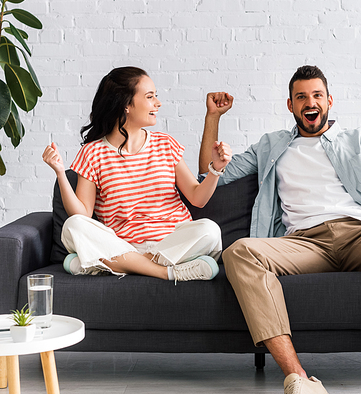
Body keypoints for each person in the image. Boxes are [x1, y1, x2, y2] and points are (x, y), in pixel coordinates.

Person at [199, 65, 361, 394]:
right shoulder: (271, 146)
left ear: (329, 101)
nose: (309, 103)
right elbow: (210, 176)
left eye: (316, 96)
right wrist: (212, 118)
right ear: (290, 105)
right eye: (301, 97)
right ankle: (298, 379)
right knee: (239, 251)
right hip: (304, 243)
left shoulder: (357, 139)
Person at [43, 66, 231, 282]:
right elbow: (82, 215)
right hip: (123, 245)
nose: (157, 104)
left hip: (170, 243)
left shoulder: (165, 145)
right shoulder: (93, 153)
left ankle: (117, 265)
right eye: (150, 97)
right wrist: (59, 172)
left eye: (155, 97)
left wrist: (215, 169)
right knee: (73, 226)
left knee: (210, 230)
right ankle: (163, 272)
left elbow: (198, 199)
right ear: (126, 105)